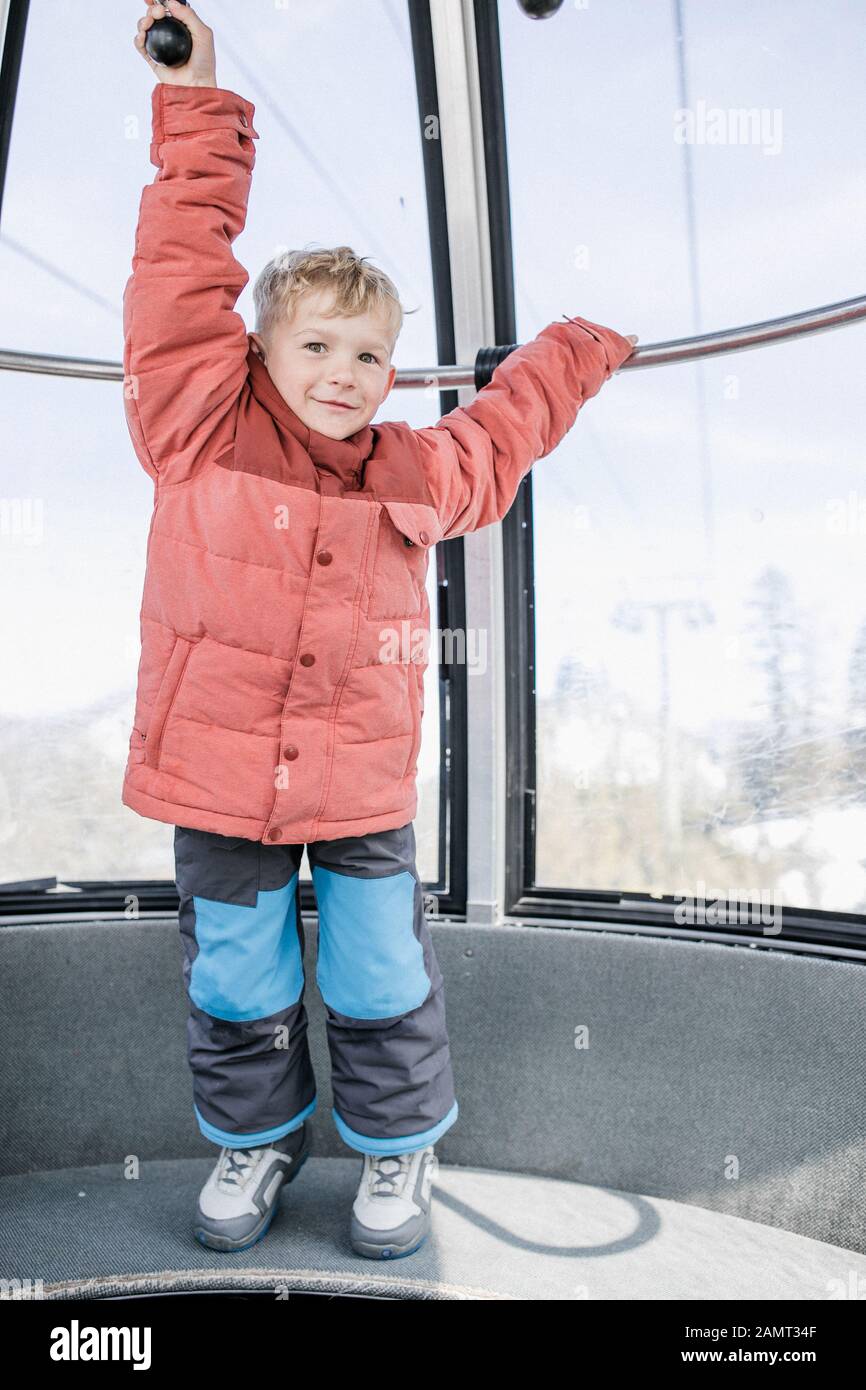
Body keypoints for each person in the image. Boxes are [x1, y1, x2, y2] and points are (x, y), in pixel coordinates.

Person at [128, 1, 638, 1260]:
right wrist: (196, 106)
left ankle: (395, 1150)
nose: (346, 372)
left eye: (370, 353)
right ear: (256, 352)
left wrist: (574, 350)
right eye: (316, 345)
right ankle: (256, 1140)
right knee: (236, 980)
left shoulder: (410, 470)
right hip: (219, 779)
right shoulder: (199, 423)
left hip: (358, 790)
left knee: (377, 979)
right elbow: (177, 265)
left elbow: (502, 434)